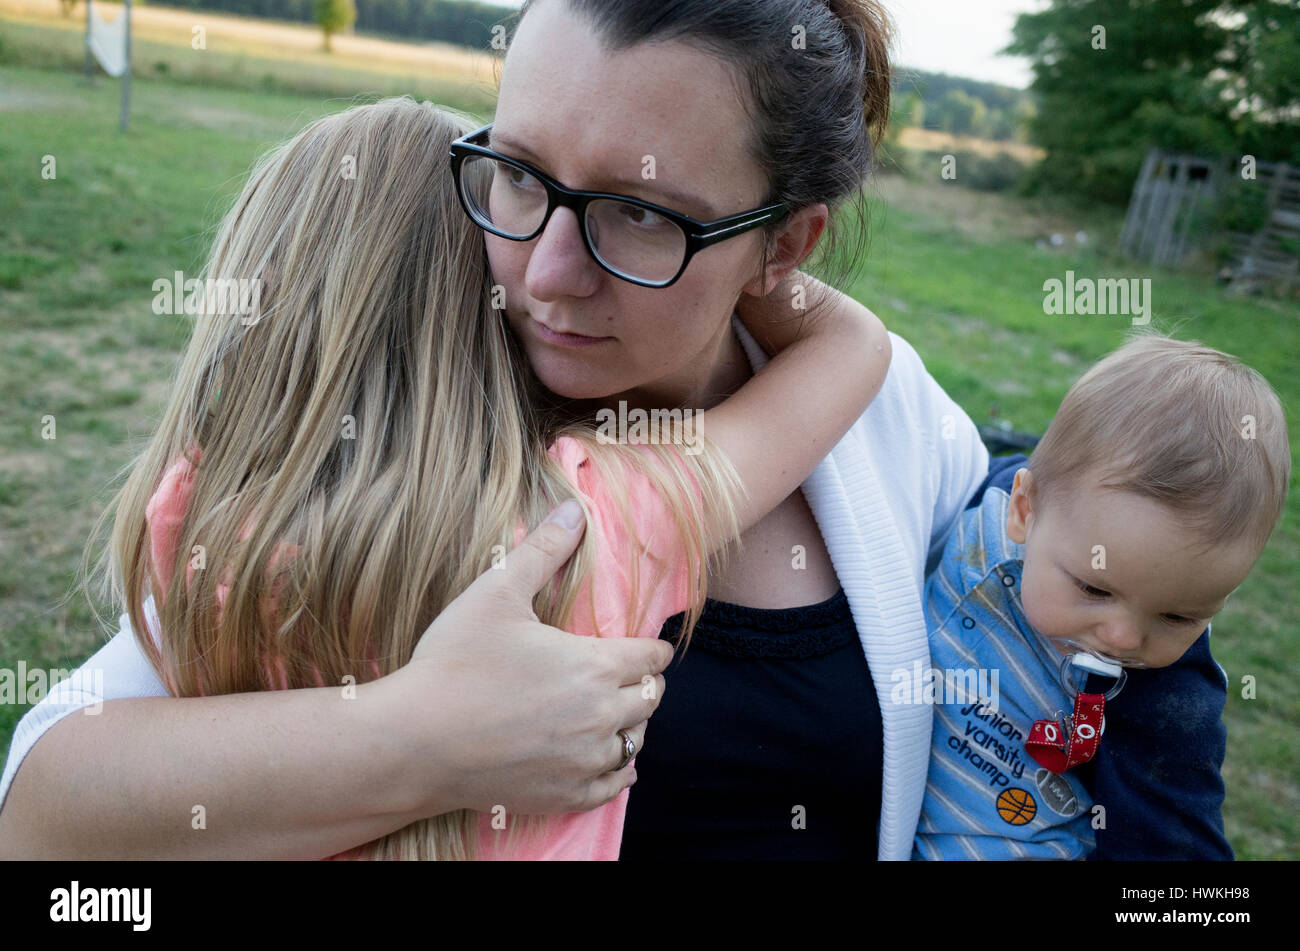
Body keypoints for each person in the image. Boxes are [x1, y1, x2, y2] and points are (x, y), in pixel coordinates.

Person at [0, 0, 1234, 860]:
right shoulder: (411, 429)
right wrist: (416, 741)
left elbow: (1080, 622)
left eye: (642, 215)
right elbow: (49, 810)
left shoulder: (886, 423)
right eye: (517, 171)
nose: (543, 276)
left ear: (787, 243)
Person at [913, 333, 1290, 859]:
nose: (1124, 638)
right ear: (1024, 511)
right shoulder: (982, 502)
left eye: (1177, 617)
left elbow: (1173, 843)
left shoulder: (1166, 698)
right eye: (1094, 588)